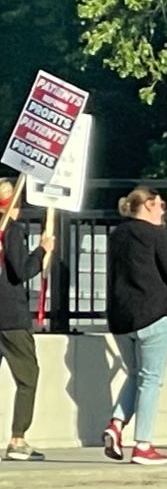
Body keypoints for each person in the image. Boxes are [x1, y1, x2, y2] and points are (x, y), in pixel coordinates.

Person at [102, 186, 167, 466]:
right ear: (147, 205)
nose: (163, 210)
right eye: (160, 205)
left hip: (122, 317)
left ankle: (117, 424)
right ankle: (143, 444)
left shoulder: (118, 234)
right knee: (151, 380)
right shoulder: (156, 233)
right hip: (153, 315)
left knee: (135, 375)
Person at [0, 180, 54, 461]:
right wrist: (42, 250)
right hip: (9, 315)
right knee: (27, 376)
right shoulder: (11, 230)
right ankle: (18, 438)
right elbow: (20, 271)